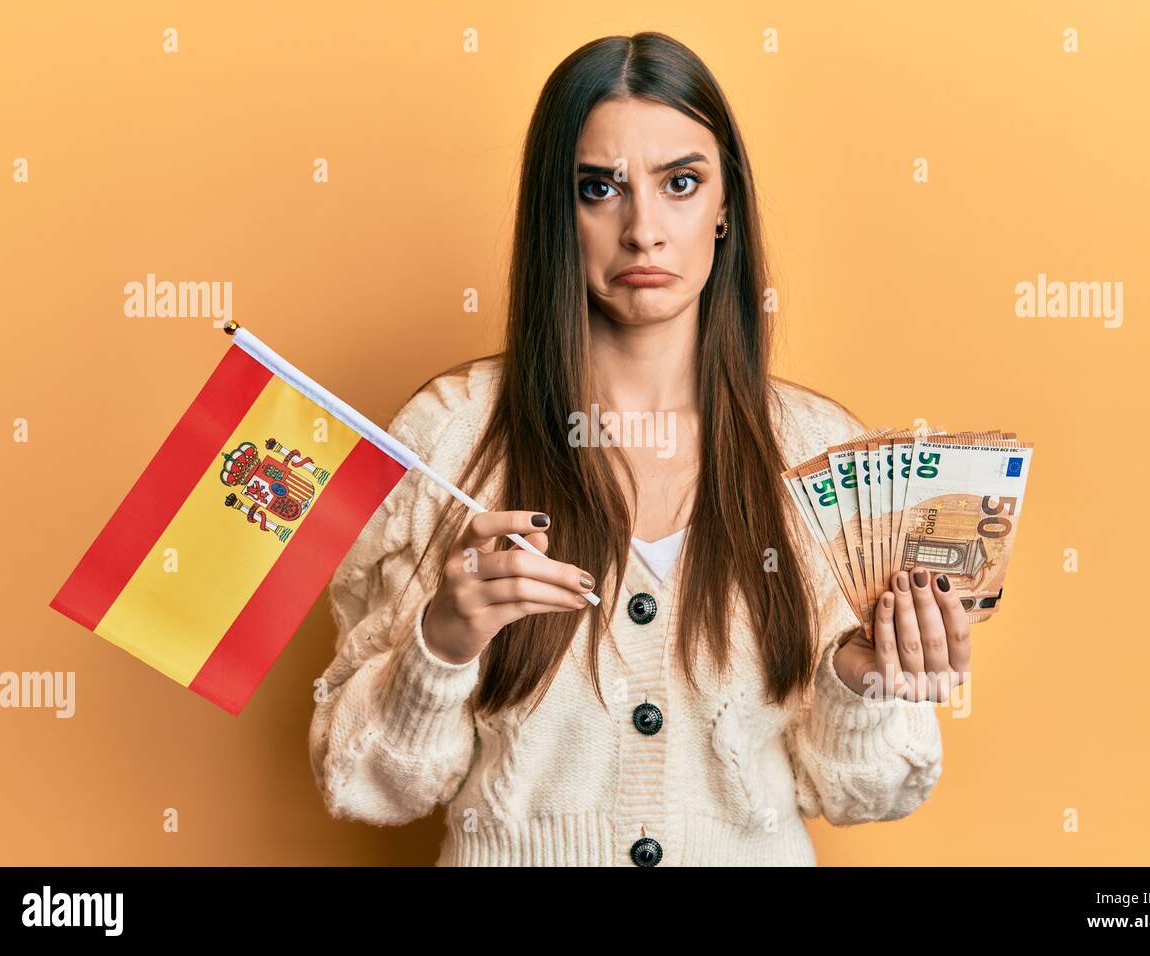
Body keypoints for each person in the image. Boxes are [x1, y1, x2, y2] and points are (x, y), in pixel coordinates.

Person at [309, 31, 970, 867]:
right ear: (556, 212)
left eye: (680, 183)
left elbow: (863, 792)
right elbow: (367, 785)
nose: (643, 231)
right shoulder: (448, 436)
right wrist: (440, 644)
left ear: (725, 207)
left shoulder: (820, 455)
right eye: (599, 189)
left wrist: (864, 674)